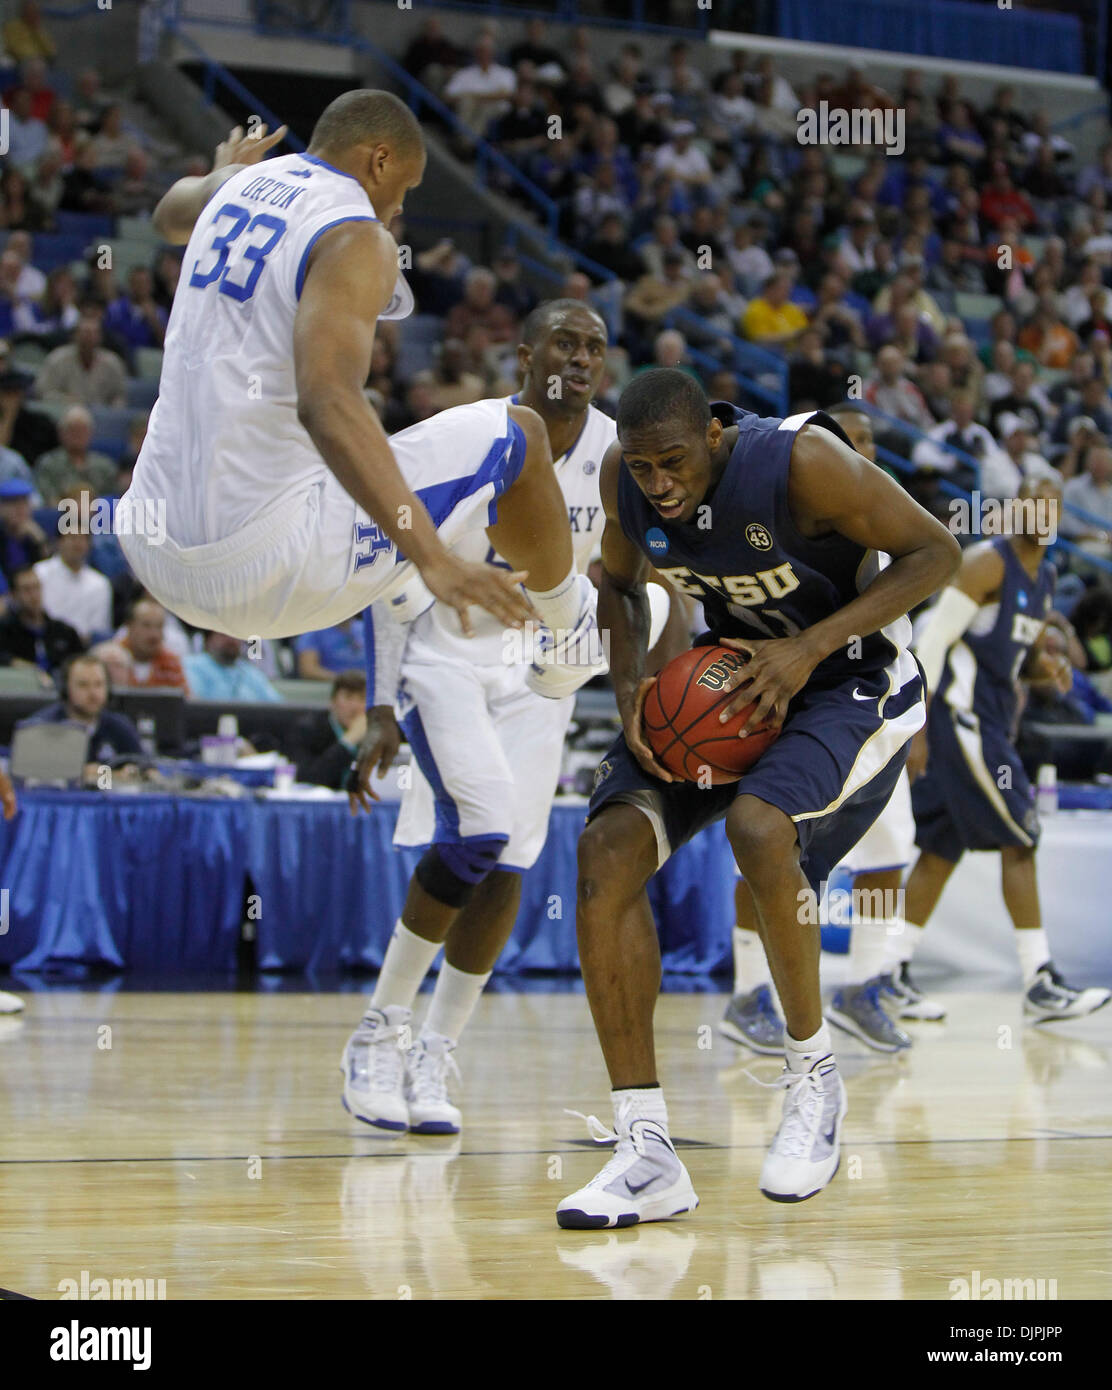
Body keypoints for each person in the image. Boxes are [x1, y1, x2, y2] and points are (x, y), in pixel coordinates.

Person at [557, 369, 959, 1227]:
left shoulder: (803, 462)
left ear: (713, 436)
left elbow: (936, 554)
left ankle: (813, 1077)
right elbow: (619, 585)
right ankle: (645, 1150)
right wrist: (627, 687)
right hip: (733, 677)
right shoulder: (624, 478)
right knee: (605, 850)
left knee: (758, 826)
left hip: (851, 679)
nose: (657, 484)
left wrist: (808, 650)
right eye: (641, 466)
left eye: (672, 462)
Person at [114, 94, 598, 705]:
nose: (400, 207)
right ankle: (572, 629)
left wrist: (221, 173)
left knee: (370, 469)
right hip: (266, 570)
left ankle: (402, 584)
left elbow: (168, 216)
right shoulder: (358, 235)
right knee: (521, 434)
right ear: (380, 159)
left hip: (150, 545)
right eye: (406, 186)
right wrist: (433, 559)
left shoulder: (240, 184)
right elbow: (327, 404)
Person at [339, 299, 616, 1136]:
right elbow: (390, 568)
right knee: (481, 829)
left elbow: (624, 579)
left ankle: (435, 1050)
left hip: (539, 675)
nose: (580, 359)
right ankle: (378, 1031)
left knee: (511, 862)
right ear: (525, 356)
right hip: (446, 655)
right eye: (564, 343)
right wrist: (381, 702)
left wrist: (626, 681)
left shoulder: (615, 454)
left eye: (594, 347)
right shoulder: (470, 436)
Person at [720, 403, 940, 1057]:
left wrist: (920, 725)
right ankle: (749, 991)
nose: (860, 448)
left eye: (868, 439)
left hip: (875, 705)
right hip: (801, 702)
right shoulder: (784, 514)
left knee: (889, 851)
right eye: (849, 438)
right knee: (769, 848)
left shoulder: (885, 517)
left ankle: (863, 984)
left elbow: (910, 625)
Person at [903, 476, 1111, 1022]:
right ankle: (1039, 979)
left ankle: (888, 972)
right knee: (1022, 837)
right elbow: (930, 644)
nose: (1039, 512)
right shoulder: (984, 564)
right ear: (1014, 508)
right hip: (960, 719)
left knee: (941, 848)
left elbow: (1022, 658)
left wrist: (1049, 669)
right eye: (1030, 502)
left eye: (1050, 505)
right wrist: (917, 729)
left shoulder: (1046, 576)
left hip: (991, 721)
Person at [20, 652, 141, 763]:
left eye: (98, 684)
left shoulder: (119, 725)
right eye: (83, 685)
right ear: (66, 689)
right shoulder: (42, 726)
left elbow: (145, 765)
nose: (93, 693)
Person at [33, 531, 112, 644]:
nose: (77, 543)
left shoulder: (100, 584)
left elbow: (99, 629)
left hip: (84, 647)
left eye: (83, 538)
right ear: (59, 542)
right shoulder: (39, 573)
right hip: (45, 642)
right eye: (72, 538)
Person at [292, 668, 366, 787]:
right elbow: (307, 779)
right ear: (332, 702)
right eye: (348, 697)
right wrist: (348, 741)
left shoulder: (382, 731)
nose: (355, 707)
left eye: (362, 698)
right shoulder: (307, 729)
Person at [184, 631, 282, 702]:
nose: (230, 639)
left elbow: (277, 707)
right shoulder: (193, 665)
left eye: (235, 634)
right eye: (223, 634)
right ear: (208, 640)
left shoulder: (250, 672)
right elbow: (194, 702)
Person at [293, 616, 364, 681]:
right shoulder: (314, 631)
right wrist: (343, 680)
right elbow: (308, 669)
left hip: (365, 684)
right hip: (329, 685)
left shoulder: (364, 628)